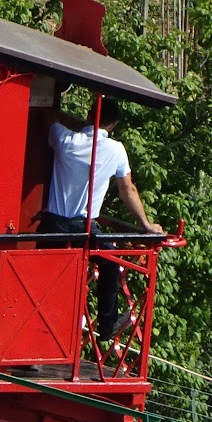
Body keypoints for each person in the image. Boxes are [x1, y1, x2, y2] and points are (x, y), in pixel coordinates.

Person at [43, 99, 164, 341]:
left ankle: (39, 342)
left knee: (46, 283)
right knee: (111, 263)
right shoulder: (116, 149)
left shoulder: (67, 140)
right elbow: (127, 189)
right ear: (114, 124)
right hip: (85, 229)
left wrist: (82, 124)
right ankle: (106, 324)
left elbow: (48, 115)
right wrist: (146, 226)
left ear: (89, 114)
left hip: (53, 225)